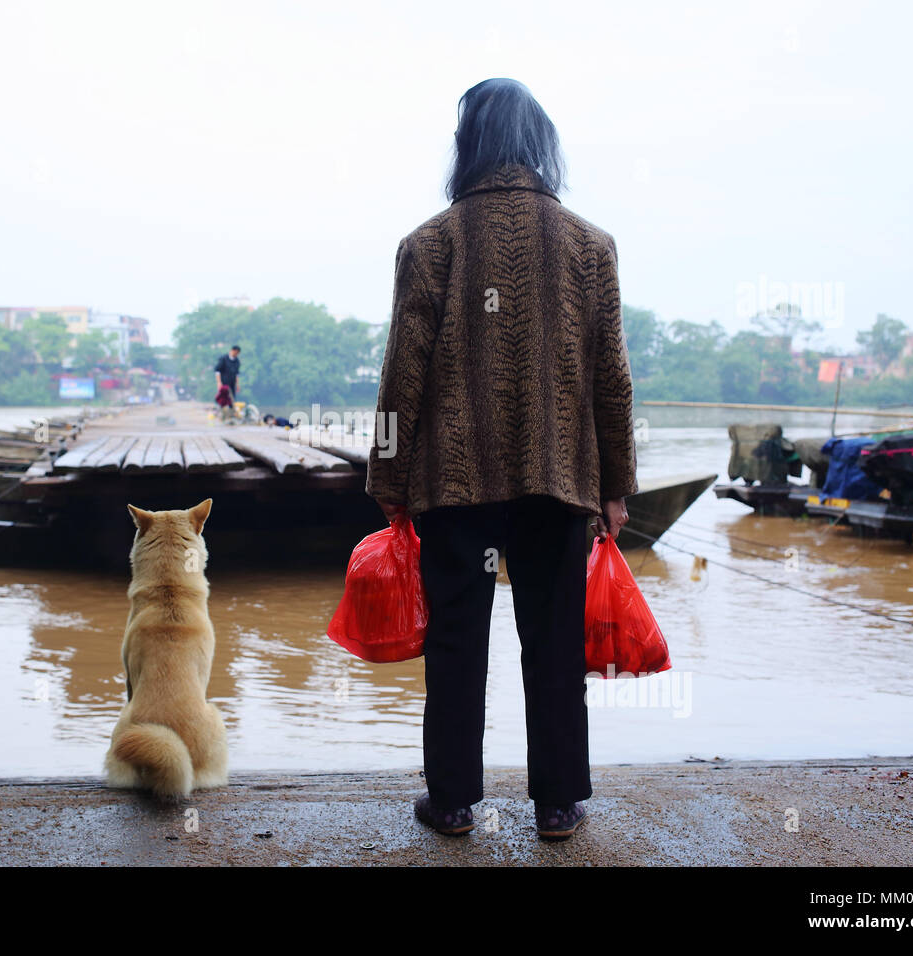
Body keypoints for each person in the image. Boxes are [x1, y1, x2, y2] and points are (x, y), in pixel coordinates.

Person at [365, 78, 637, 842]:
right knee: (553, 639)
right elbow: (610, 379)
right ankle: (557, 804)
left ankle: (452, 802)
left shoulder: (431, 243)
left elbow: (401, 378)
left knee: (457, 640)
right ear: (539, 145)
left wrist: (388, 478)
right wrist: (616, 486)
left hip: (456, 487)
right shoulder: (590, 246)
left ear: (469, 146)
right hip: (560, 484)